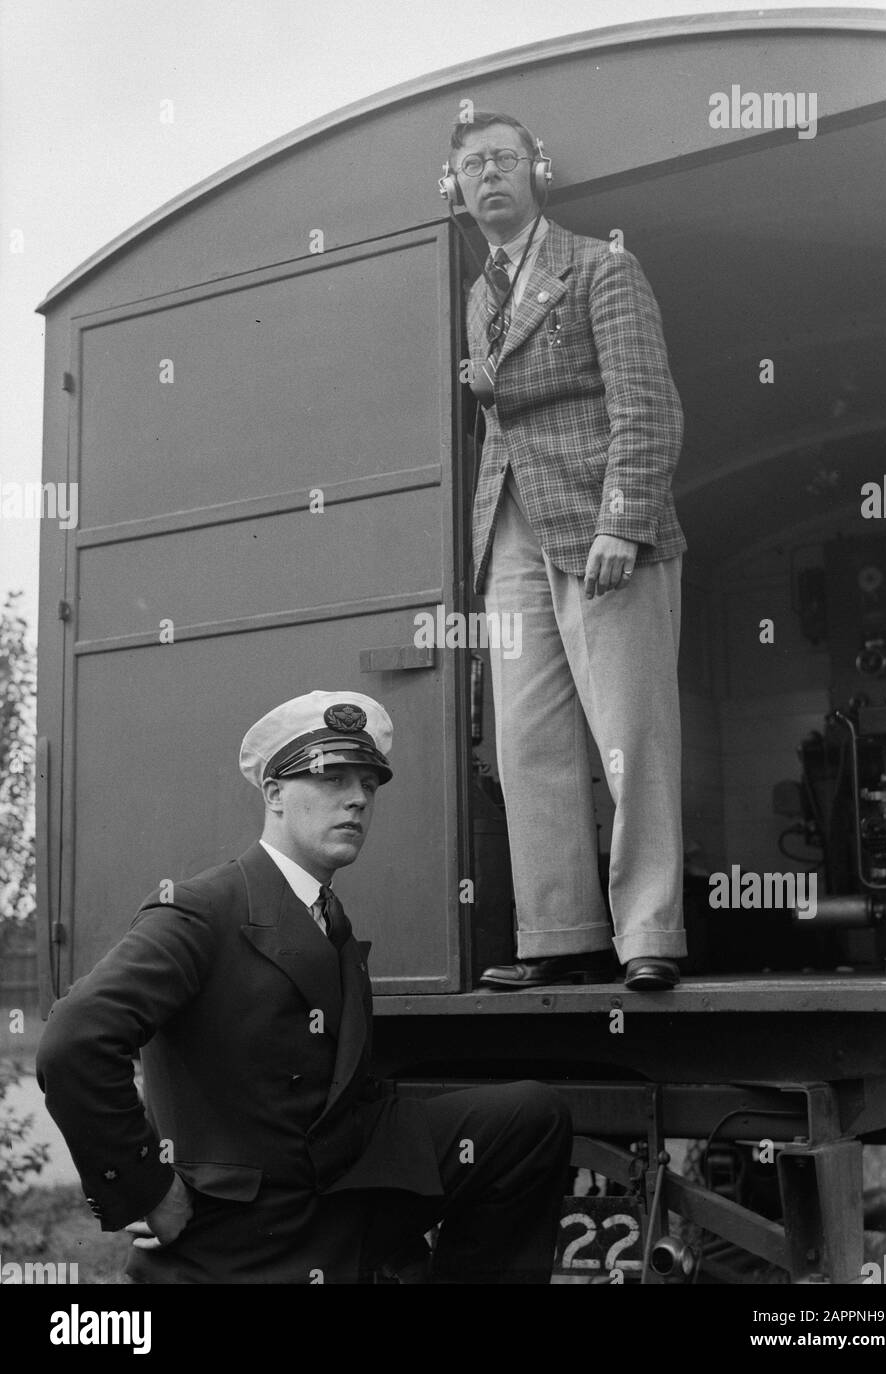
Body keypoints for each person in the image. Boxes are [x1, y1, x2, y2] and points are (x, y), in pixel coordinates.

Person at [37, 690, 572, 1283]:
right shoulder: (201, 908)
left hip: (334, 1188)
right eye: (331, 778)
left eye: (368, 784)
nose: (357, 800)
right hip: (242, 1230)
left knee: (531, 1118)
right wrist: (148, 1190)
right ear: (273, 795)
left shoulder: (328, 917)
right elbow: (75, 1041)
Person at [443, 112, 687, 991]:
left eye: (504, 159)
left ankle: (648, 931)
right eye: (472, 165)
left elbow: (646, 405)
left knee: (630, 736)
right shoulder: (479, 296)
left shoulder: (601, 266)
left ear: (535, 172)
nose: (489, 175)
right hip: (509, 526)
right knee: (528, 742)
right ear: (457, 188)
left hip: (600, 522)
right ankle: (560, 935)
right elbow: (512, 408)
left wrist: (622, 520)